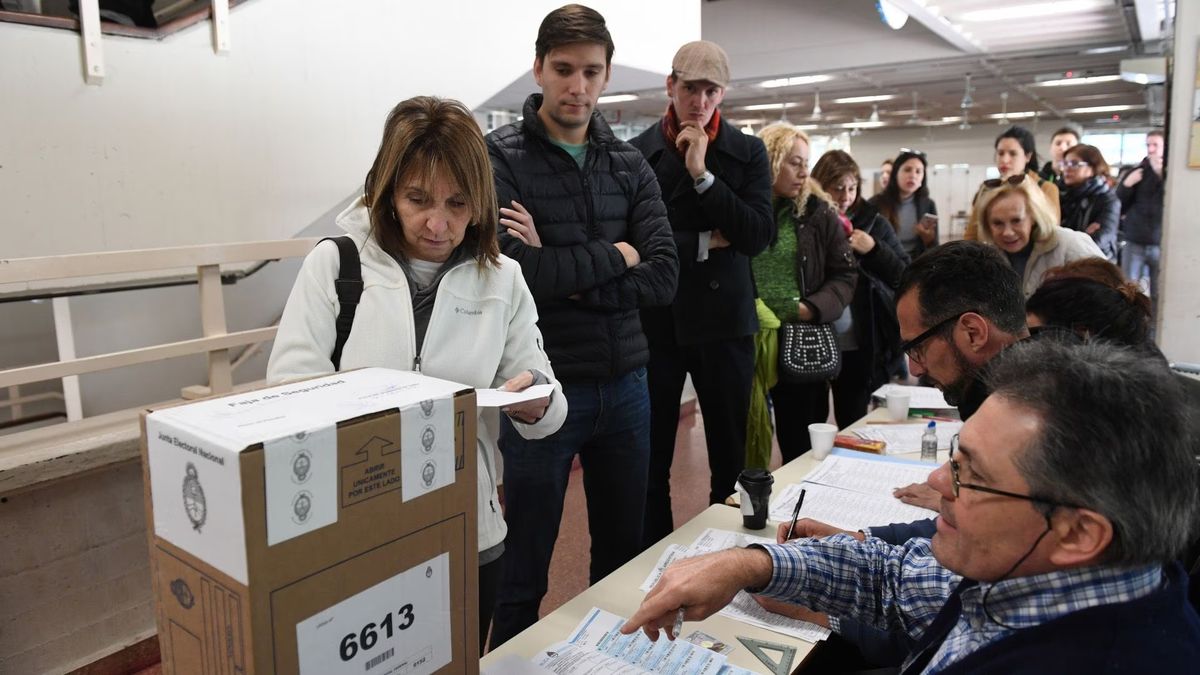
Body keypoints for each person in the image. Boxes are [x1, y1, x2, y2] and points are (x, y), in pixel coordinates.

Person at [623, 339, 1200, 673]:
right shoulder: (1033, 577)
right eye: (955, 457)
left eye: (973, 477)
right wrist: (750, 564)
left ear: (1078, 532)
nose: (936, 482)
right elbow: (895, 577)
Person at [266, 96, 567, 652]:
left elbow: (545, 391)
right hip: (355, 526)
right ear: (386, 190)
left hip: (468, 524)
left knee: (456, 657)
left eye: (458, 203)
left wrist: (538, 401)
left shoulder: (502, 279)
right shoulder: (337, 265)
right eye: (418, 199)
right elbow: (289, 392)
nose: (438, 223)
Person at [483, 4, 679, 648]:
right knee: (523, 568)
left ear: (607, 74)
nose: (577, 86)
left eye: (590, 72)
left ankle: (609, 660)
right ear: (538, 68)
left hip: (627, 389)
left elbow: (663, 277)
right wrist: (616, 255)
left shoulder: (629, 164)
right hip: (541, 387)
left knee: (622, 560)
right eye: (563, 70)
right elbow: (516, 272)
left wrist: (558, 269)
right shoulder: (499, 158)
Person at [629, 40, 775, 544]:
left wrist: (702, 175)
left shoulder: (748, 151)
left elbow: (758, 235)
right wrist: (705, 240)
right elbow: (632, 238)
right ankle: (652, 557)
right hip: (657, 320)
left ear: (723, 93)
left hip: (724, 323)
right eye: (690, 88)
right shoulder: (639, 152)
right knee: (649, 458)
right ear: (670, 86)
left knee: (730, 456)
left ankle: (731, 553)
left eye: (711, 90)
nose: (700, 101)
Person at [752, 124, 856, 463]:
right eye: (794, 162)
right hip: (750, 336)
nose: (804, 172)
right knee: (746, 436)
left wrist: (810, 308)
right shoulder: (744, 209)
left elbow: (845, 274)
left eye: (805, 163)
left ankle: (799, 511)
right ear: (770, 160)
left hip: (800, 335)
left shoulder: (817, 211)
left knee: (800, 444)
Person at [811, 150, 909, 427]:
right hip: (813, 338)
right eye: (837, 188)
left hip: (860, 343)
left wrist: (874, 249)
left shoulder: (874, 222)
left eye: (852, 188)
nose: (845, 196)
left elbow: (905, 274)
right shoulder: (804, 221)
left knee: (853, 420)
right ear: (820, 186)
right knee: (810, 423)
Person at [973, 175, 1103, 296]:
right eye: (998, 223)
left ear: (1034, 216)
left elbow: (1111, 298)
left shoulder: (1070, 243)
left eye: (1016, 221)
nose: (1008, 232)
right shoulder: (988, 258)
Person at [964, 126, 1060, 241]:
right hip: (991, 256)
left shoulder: (1046, 188)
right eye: (1000, 153)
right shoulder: (987, 188)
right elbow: (971, 235)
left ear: (1028, 156)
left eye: (1013, 154)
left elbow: (1051, 233)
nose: (1005, 160)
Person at [1117, 129, 1165, 310]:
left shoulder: (1170, 173)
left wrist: (1160, 173)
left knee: (1159, 290)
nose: (1151, 149)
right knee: (1130, 287)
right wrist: (1127, 184)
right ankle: (1132, 324)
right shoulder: (1138, 171)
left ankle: (1155, 326)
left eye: (1155, 145)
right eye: (1148, 145)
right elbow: (1119, 200)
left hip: (1160, 241)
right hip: (1135, 239)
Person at [869, 149, 937, 260]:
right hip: (885, 263)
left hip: (917, 264)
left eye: (918, 171)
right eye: (907, 170)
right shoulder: (875, 203)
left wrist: (928, 240)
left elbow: (935, 247)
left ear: (923, 178)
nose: (913, 175)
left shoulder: (928, 204)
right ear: (896, 173)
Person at [1058, 143, 1119, 261]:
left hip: (1096, 263)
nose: (1067, 168)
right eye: (1065, 163)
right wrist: (1084, 236)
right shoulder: (1059, 193)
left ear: (1093, 168)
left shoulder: (1107, 199)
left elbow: (1100, 239)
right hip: (1062, 262)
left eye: (1074, 164)